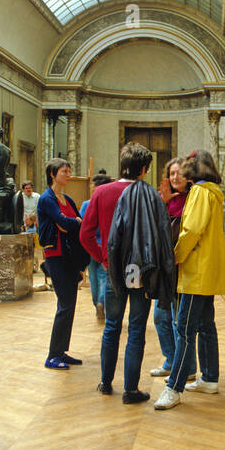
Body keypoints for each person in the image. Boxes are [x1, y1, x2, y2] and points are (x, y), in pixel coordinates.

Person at [80, 143, 172, 404]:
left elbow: (85, 234)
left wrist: (103, 258)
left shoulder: (102, 192)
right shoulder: (150, 195)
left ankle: (105, 382)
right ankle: (131, 389)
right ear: (143, 169)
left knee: (111, 326)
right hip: (139, 270)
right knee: (136, 330)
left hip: (114, 270)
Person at [155, 150, 225, 411]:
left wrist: (174, 257)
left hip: (195, 270)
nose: (183, 172)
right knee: (207, 325)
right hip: (208, 271)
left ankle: (173, 388)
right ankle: (209, 377)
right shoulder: (214, 192)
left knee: (185, 330)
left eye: (187, 167)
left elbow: (191, 231)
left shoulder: (198, 192)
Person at [151, 156, 205, 380]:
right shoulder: (166, 199)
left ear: (189, 175)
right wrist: (162, 203)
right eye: (171, 173)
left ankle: (188, 367)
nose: (175, 177)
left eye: (179, 173)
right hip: (164, 266)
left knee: (177, 319)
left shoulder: (193, 199)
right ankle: (172, 359)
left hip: (182, 266)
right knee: (160, 317)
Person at [37, 158, 90, 369]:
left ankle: (61, 351)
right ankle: (52, 355)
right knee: (65, 304)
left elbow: (79, 223)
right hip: (56, 255)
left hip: (69, 255)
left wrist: (72, 224)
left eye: (69, 171)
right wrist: (72, 223)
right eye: (64, 171)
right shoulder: (46, 199)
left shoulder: (66, 198)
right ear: (53, 174)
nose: (68, 175)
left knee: (70, 305)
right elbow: (64, 222)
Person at [82, 170, 112, 322]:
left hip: (90, 247)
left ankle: (97, 303)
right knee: (103, 277)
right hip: (106, 247)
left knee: (93, 277)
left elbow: (83, 226)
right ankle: (102, 301)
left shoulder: (87, 204)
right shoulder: (110, 202)